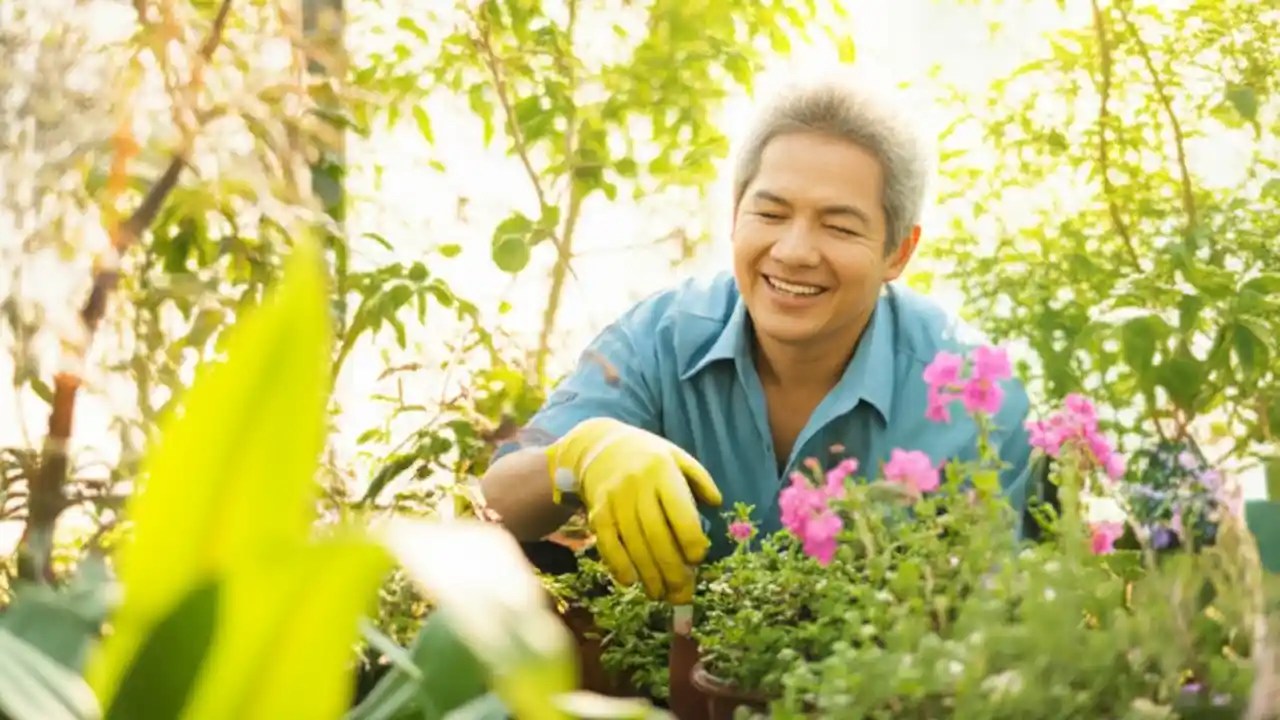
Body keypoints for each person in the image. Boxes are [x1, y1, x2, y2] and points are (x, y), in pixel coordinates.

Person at [480, 74, 1034, 605]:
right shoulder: (661, 338)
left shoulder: (976, 399)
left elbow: (1001, 627)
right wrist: (582, 454)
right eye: (770, 213)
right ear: (735, 215)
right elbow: (497, 501)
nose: (793, 250)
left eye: (839, 226)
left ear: (898, 252)